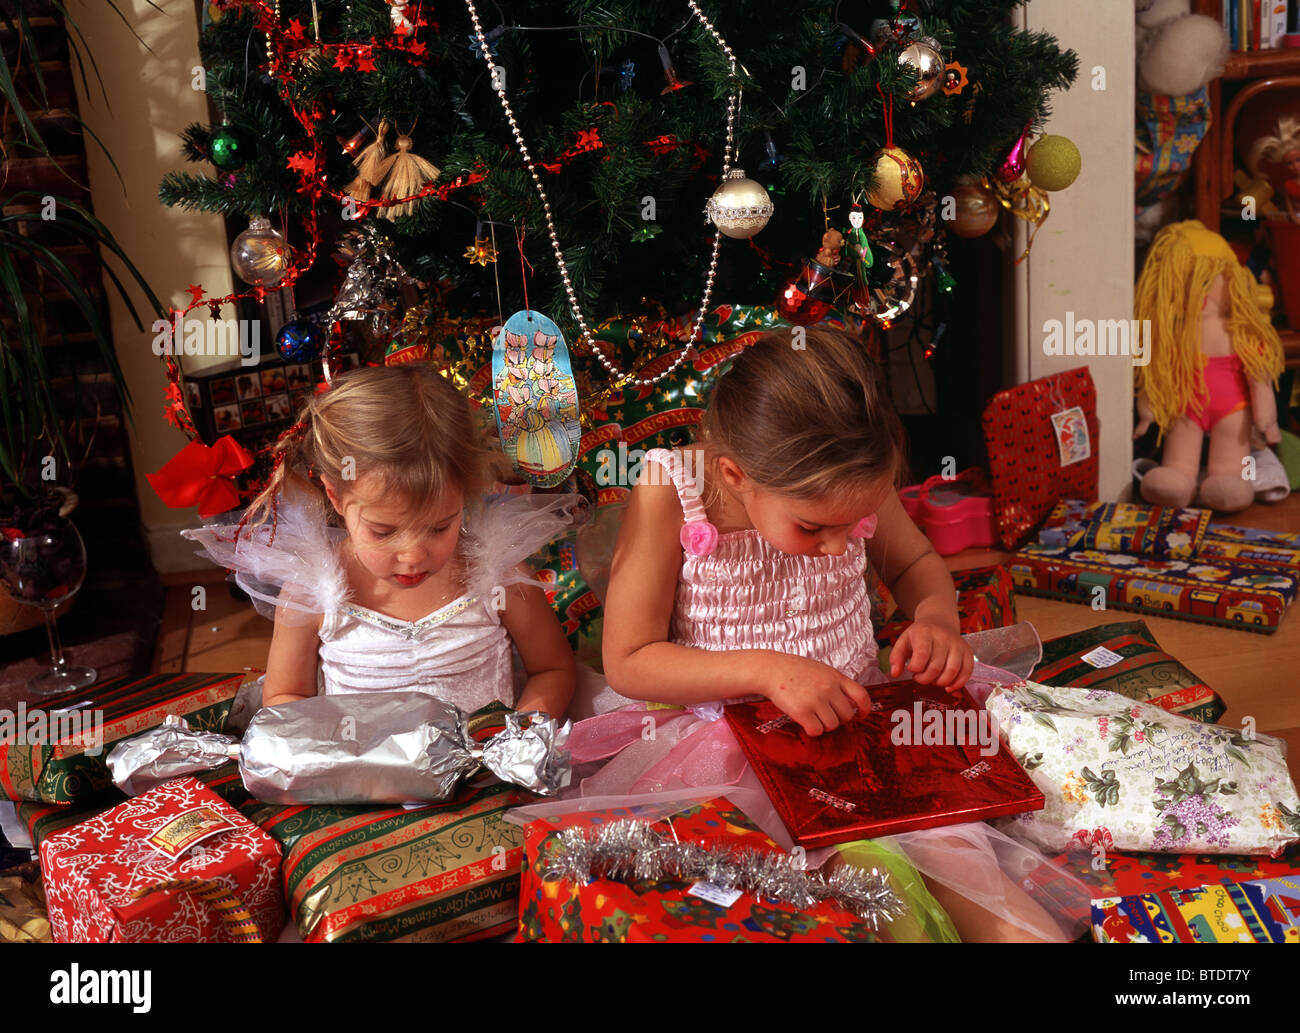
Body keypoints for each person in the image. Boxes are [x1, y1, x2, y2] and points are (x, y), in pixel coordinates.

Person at [573, 328, 1092, 942]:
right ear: (736, 476)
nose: (841, 545)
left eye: (855, 522)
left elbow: (915, 564)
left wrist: (934, 620)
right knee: (855, 888)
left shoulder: (852, 472)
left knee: (965, 865)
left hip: (863, 720)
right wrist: (769, 671)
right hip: (734, 744)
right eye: (813, 527)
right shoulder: (671, 490)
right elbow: (630, 659)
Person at [182, 363, 579, 717]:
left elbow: (552, 668)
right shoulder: (310, 592)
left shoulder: (498, 577)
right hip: (361, 774)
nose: (413, 555)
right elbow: (287, 694)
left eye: (439, 527)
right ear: (336, 495)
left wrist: (521, 731)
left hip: (484, 770)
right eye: (384, 532)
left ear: (466, 494)